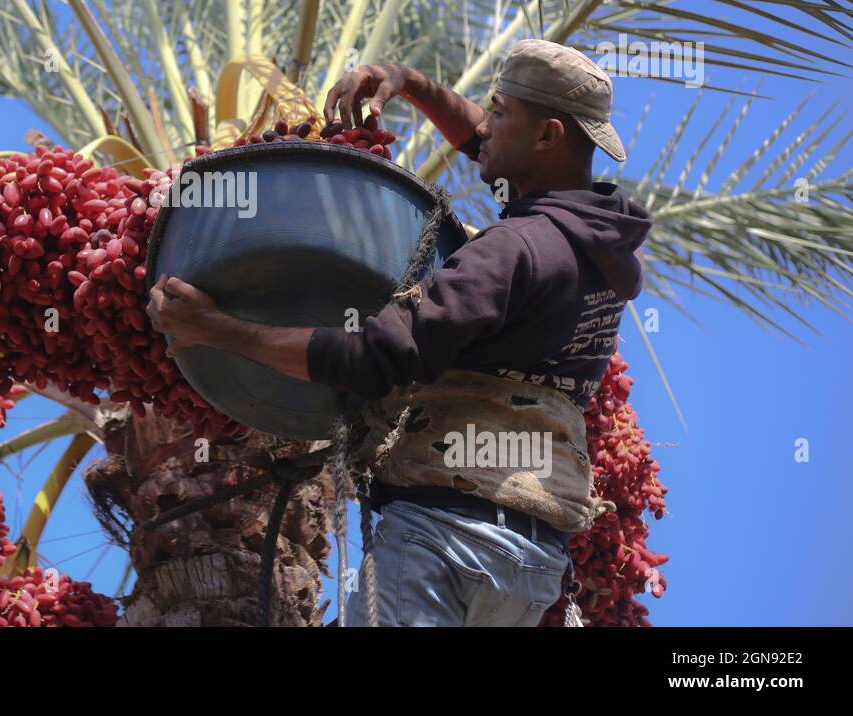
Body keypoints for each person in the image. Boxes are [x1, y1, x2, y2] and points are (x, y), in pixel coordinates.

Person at [146, 38, 652, 626]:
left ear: (546, 137)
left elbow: (374, 355)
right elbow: (489, 148)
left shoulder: (513, 249)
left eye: (501, 112)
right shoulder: (594, 252)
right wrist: (406, 81)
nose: (483, 127)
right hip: (530, 564)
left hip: (446, 542)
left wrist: (217, 329)